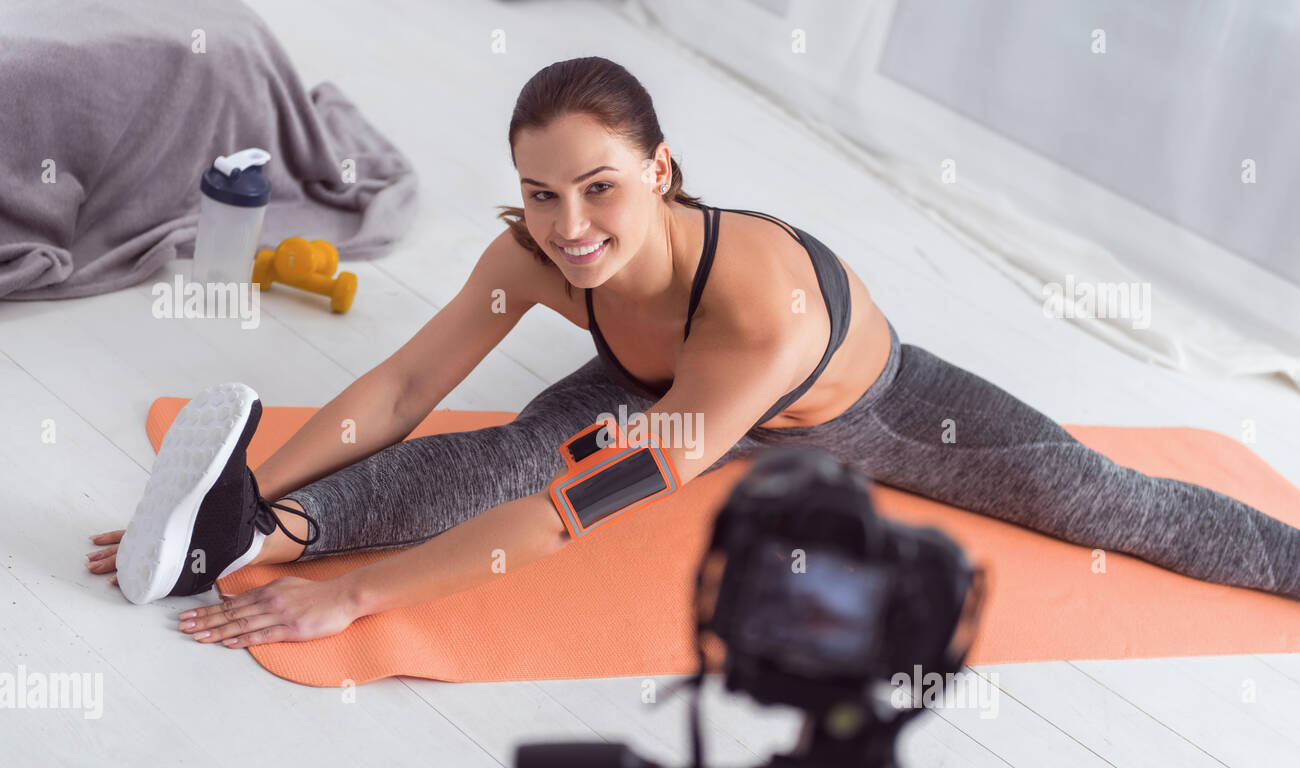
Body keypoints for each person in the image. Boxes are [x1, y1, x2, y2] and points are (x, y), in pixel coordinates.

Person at [87, 56, 1300, 647]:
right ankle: (243, 528)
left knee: (1093, 496)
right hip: (654, 381)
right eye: (540, 194)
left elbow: (576, 511)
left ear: (660, 173)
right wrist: (270, 479)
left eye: (600, 189)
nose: (569, 230)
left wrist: (359, 599)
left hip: (848, 406)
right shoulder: (536, 252)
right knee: (509, 444)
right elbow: (407, 385)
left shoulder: (760, 306)